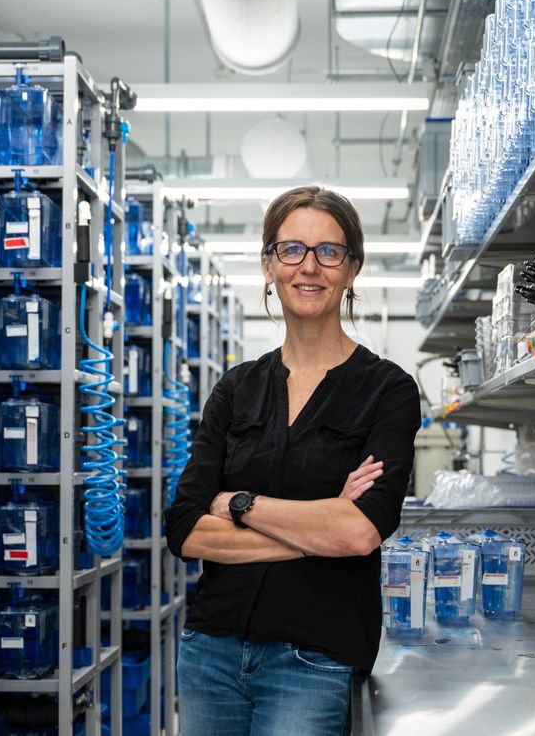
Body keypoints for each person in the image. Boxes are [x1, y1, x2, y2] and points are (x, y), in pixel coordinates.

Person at [165, 185, 420, 735]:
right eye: (291, 249)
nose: (309, 267)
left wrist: (240, 504)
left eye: (329, 251)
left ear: (351, 269)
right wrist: (318, 528)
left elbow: (359, 532)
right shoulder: (236, 388)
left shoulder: (388, 391)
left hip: (314, 659)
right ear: (268, 265)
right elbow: (185, 530)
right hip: (210, 652)